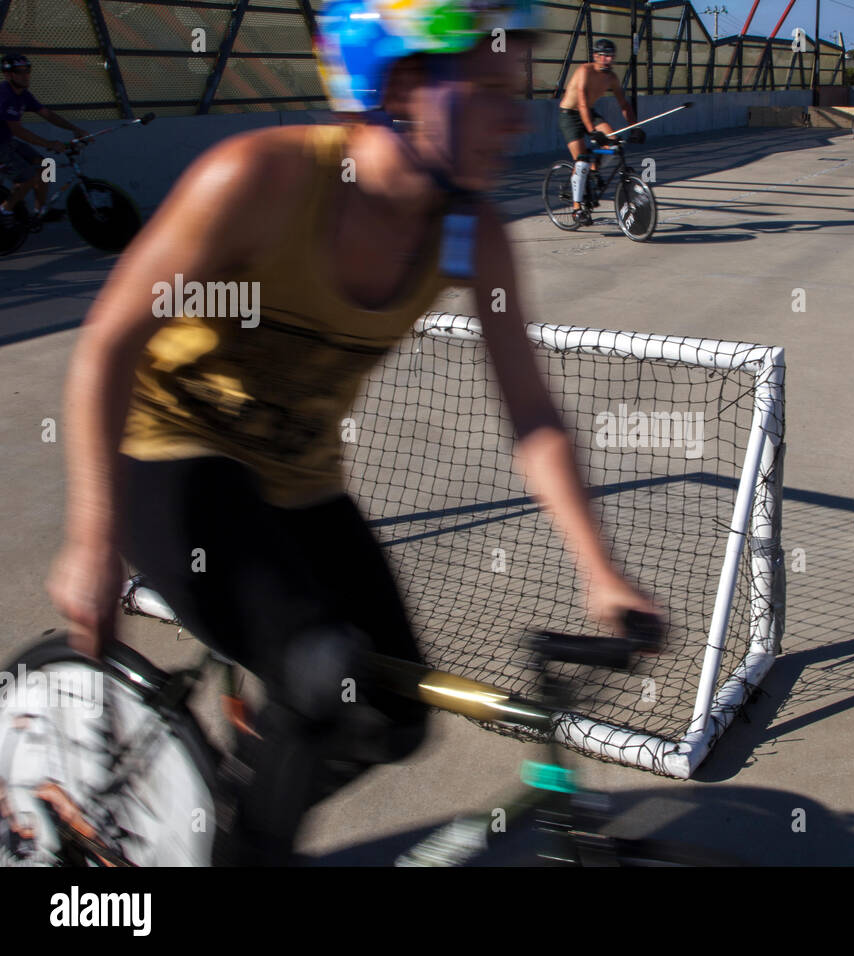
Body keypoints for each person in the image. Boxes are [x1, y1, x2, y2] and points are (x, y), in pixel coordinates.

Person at [45, 0, 658, 865]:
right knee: (321, 673)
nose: (513, 113)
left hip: (298, 479)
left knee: (396, 721)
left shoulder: (467, 234)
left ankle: (247, 792)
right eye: (485, 87)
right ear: (401, 86)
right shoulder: (262, 180)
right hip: (172, 454)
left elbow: (530, 410)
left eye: (515, 87)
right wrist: (91, 537)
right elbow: (107, 342)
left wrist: (603, 571)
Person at [0, 53, 89, 223]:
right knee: (28, 177)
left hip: (7, 141)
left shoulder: (23, 95)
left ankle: (40, 210)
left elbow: (48, 114)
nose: (25, 75)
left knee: (47, 166)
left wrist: (74, 129)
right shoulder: (5, 95)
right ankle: (5, 210)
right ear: (8, 75)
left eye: (27, 71)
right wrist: (49, 143)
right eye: (19, 72)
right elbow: (17, 130)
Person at [558, 38, 635, 224]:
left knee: (614, 142)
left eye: (611, 56)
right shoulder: (585, 71)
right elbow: (582, 102)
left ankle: (594, 171)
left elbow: (624, 104)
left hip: (589, 113)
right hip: (570, 114)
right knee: (582, 161)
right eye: (604, 56)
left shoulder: (612, 78)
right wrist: (592, 132)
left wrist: (635, 127)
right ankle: (577, 209)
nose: (608, 60)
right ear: (596, 56)